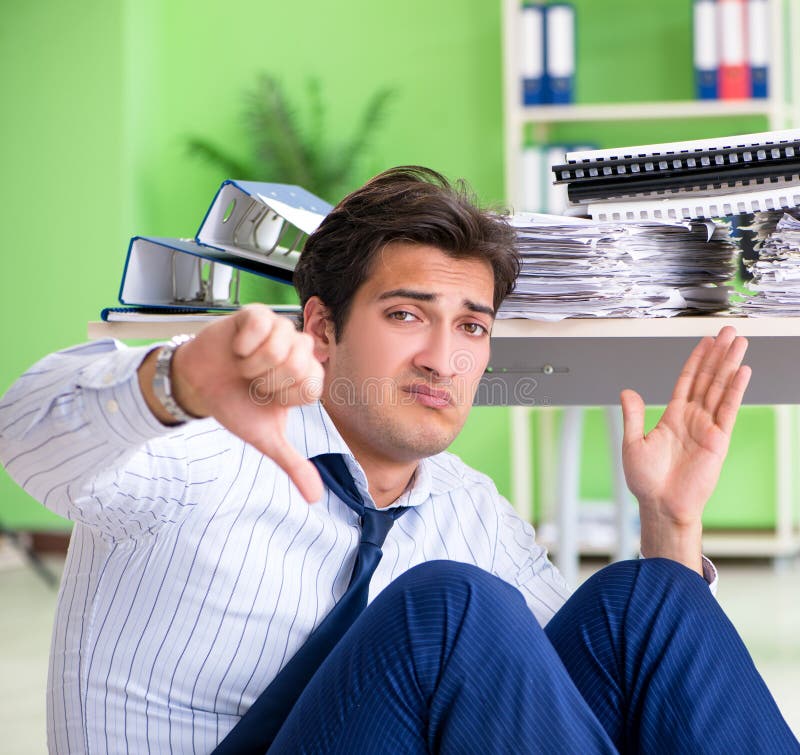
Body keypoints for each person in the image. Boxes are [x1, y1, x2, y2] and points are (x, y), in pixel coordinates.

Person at [0, 166, 796, 754]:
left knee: (646, 598)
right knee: (447, 606)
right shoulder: (201, 444)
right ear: (320, 326)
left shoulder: (467, 506)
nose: (442, 359)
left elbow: (571, 708)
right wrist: (178, 380)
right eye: (407, 313)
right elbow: (24, 429)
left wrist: (670, 524)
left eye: (472, 327)